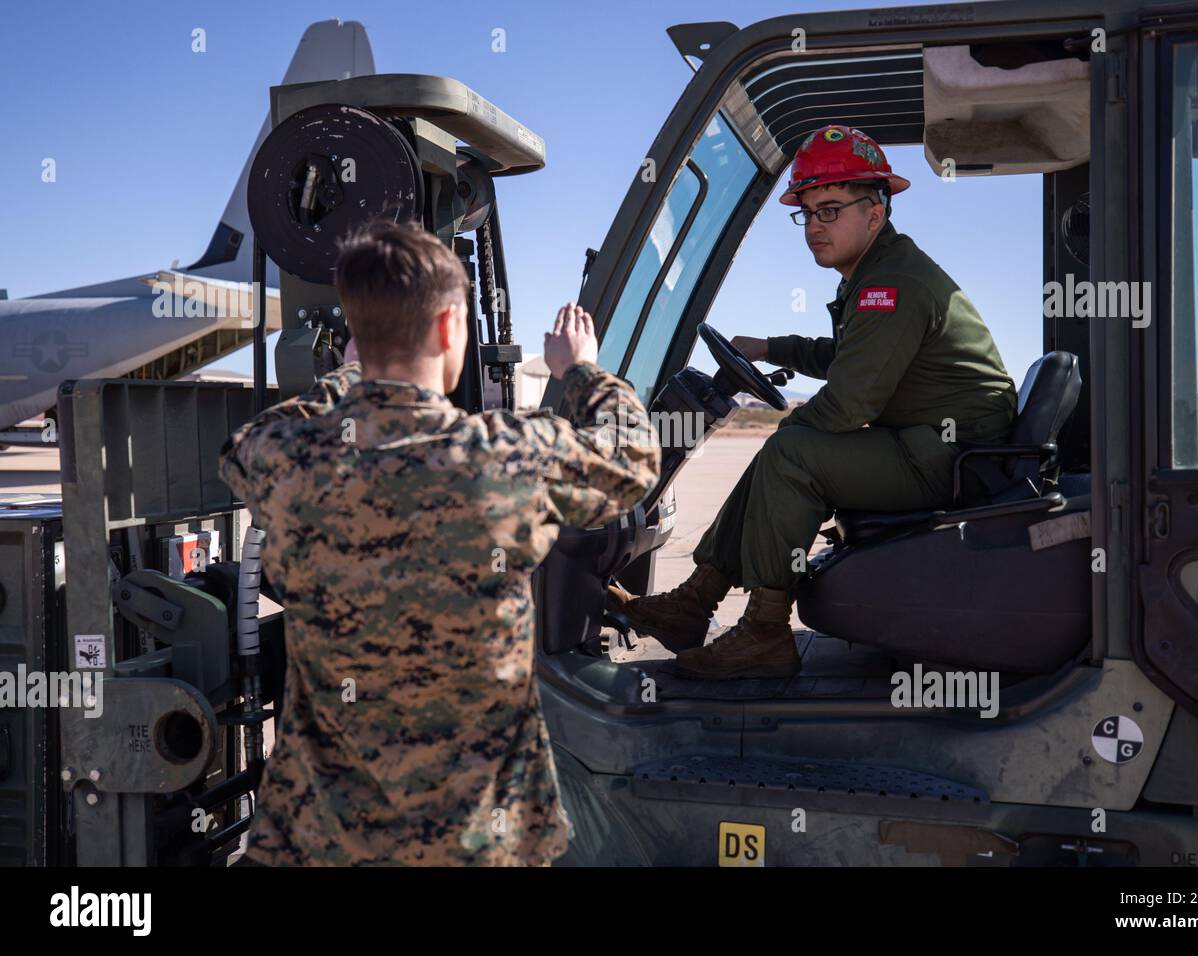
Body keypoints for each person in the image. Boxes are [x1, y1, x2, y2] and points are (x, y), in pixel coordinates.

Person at [219, 219, 658, 865]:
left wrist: (349, 377)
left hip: (322, 839)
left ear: (358, 335)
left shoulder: (291, 459)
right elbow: (633, 454)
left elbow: (242, 448)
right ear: (452, 327)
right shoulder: (509, 456)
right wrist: (581, 370)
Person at [614, 124, 1017, 680]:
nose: (814, 227)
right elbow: (849, 356)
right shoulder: (876, 273)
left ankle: (764, 633)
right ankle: (695, 600)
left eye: (829, 211)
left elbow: (850, 403)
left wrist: (792, 428)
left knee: (791, 453)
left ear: (875, 213)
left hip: (951, 459)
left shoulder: (890, 284)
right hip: (930, 445)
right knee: (787, 448)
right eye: (806, 214)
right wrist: (769, 348)